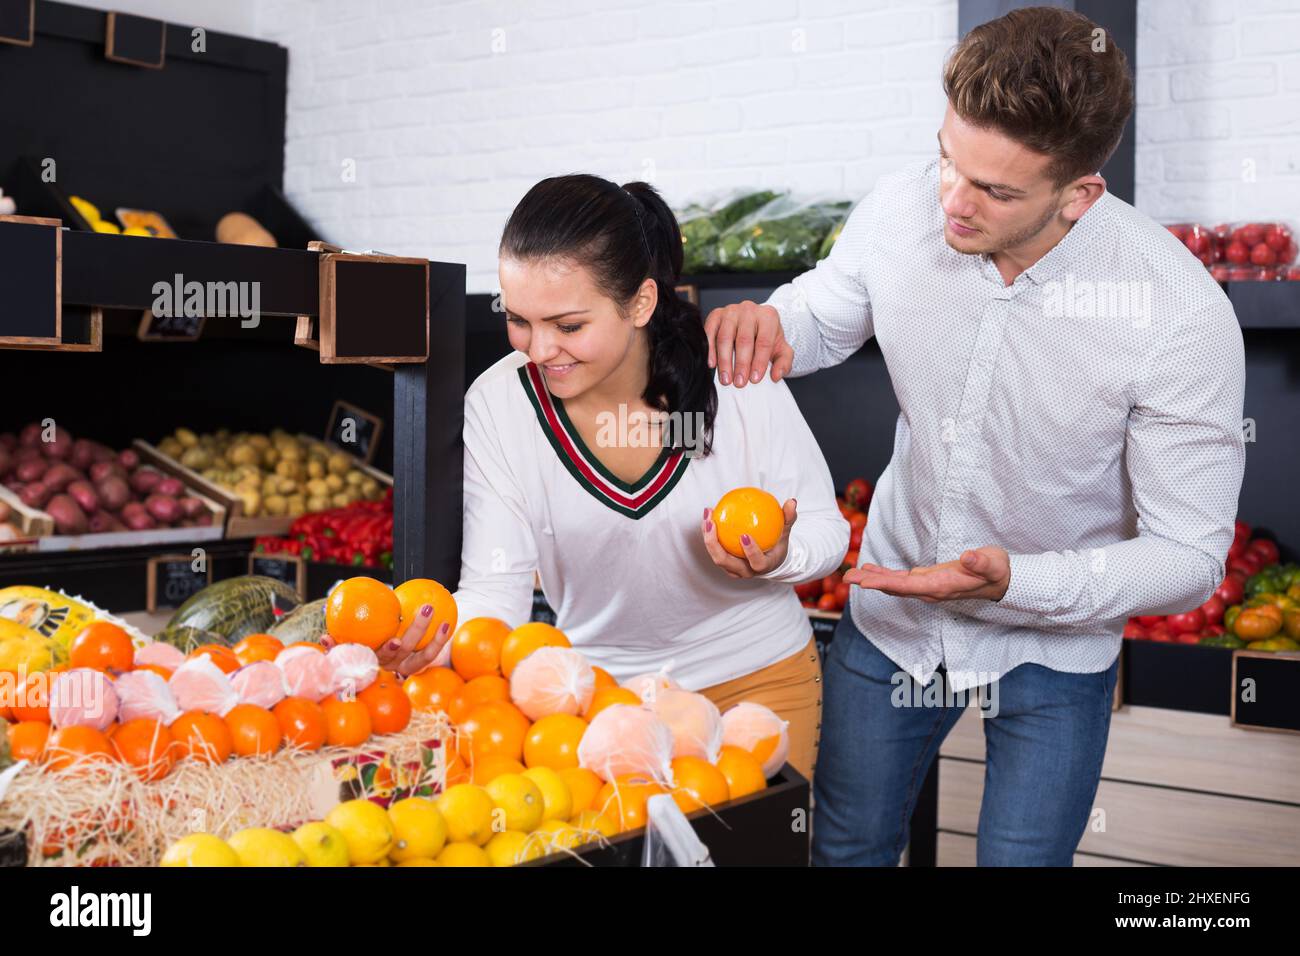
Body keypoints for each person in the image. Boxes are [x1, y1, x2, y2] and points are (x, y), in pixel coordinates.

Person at [703, 6, 1245, 865]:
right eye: (949, 160)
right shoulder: (903, 206)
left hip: (1053, 649)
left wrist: (1016, 582)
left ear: (1080, 194)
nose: (951, 202)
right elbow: (824, 315)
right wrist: (766, 324)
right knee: (844, 851)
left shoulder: (1179, 315)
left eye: (995, 190)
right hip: (891, 618)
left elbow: (1190, 557)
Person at [360, 173, 849, 781]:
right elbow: (496, 589)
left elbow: (827, 530)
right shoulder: (499, 404)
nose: (538, 351)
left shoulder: (733, 371)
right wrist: (433, 638)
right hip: (596, 702)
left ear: (640, 303)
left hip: (759, 685)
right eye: (518, 320)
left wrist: (779, 557)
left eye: (568, 326)